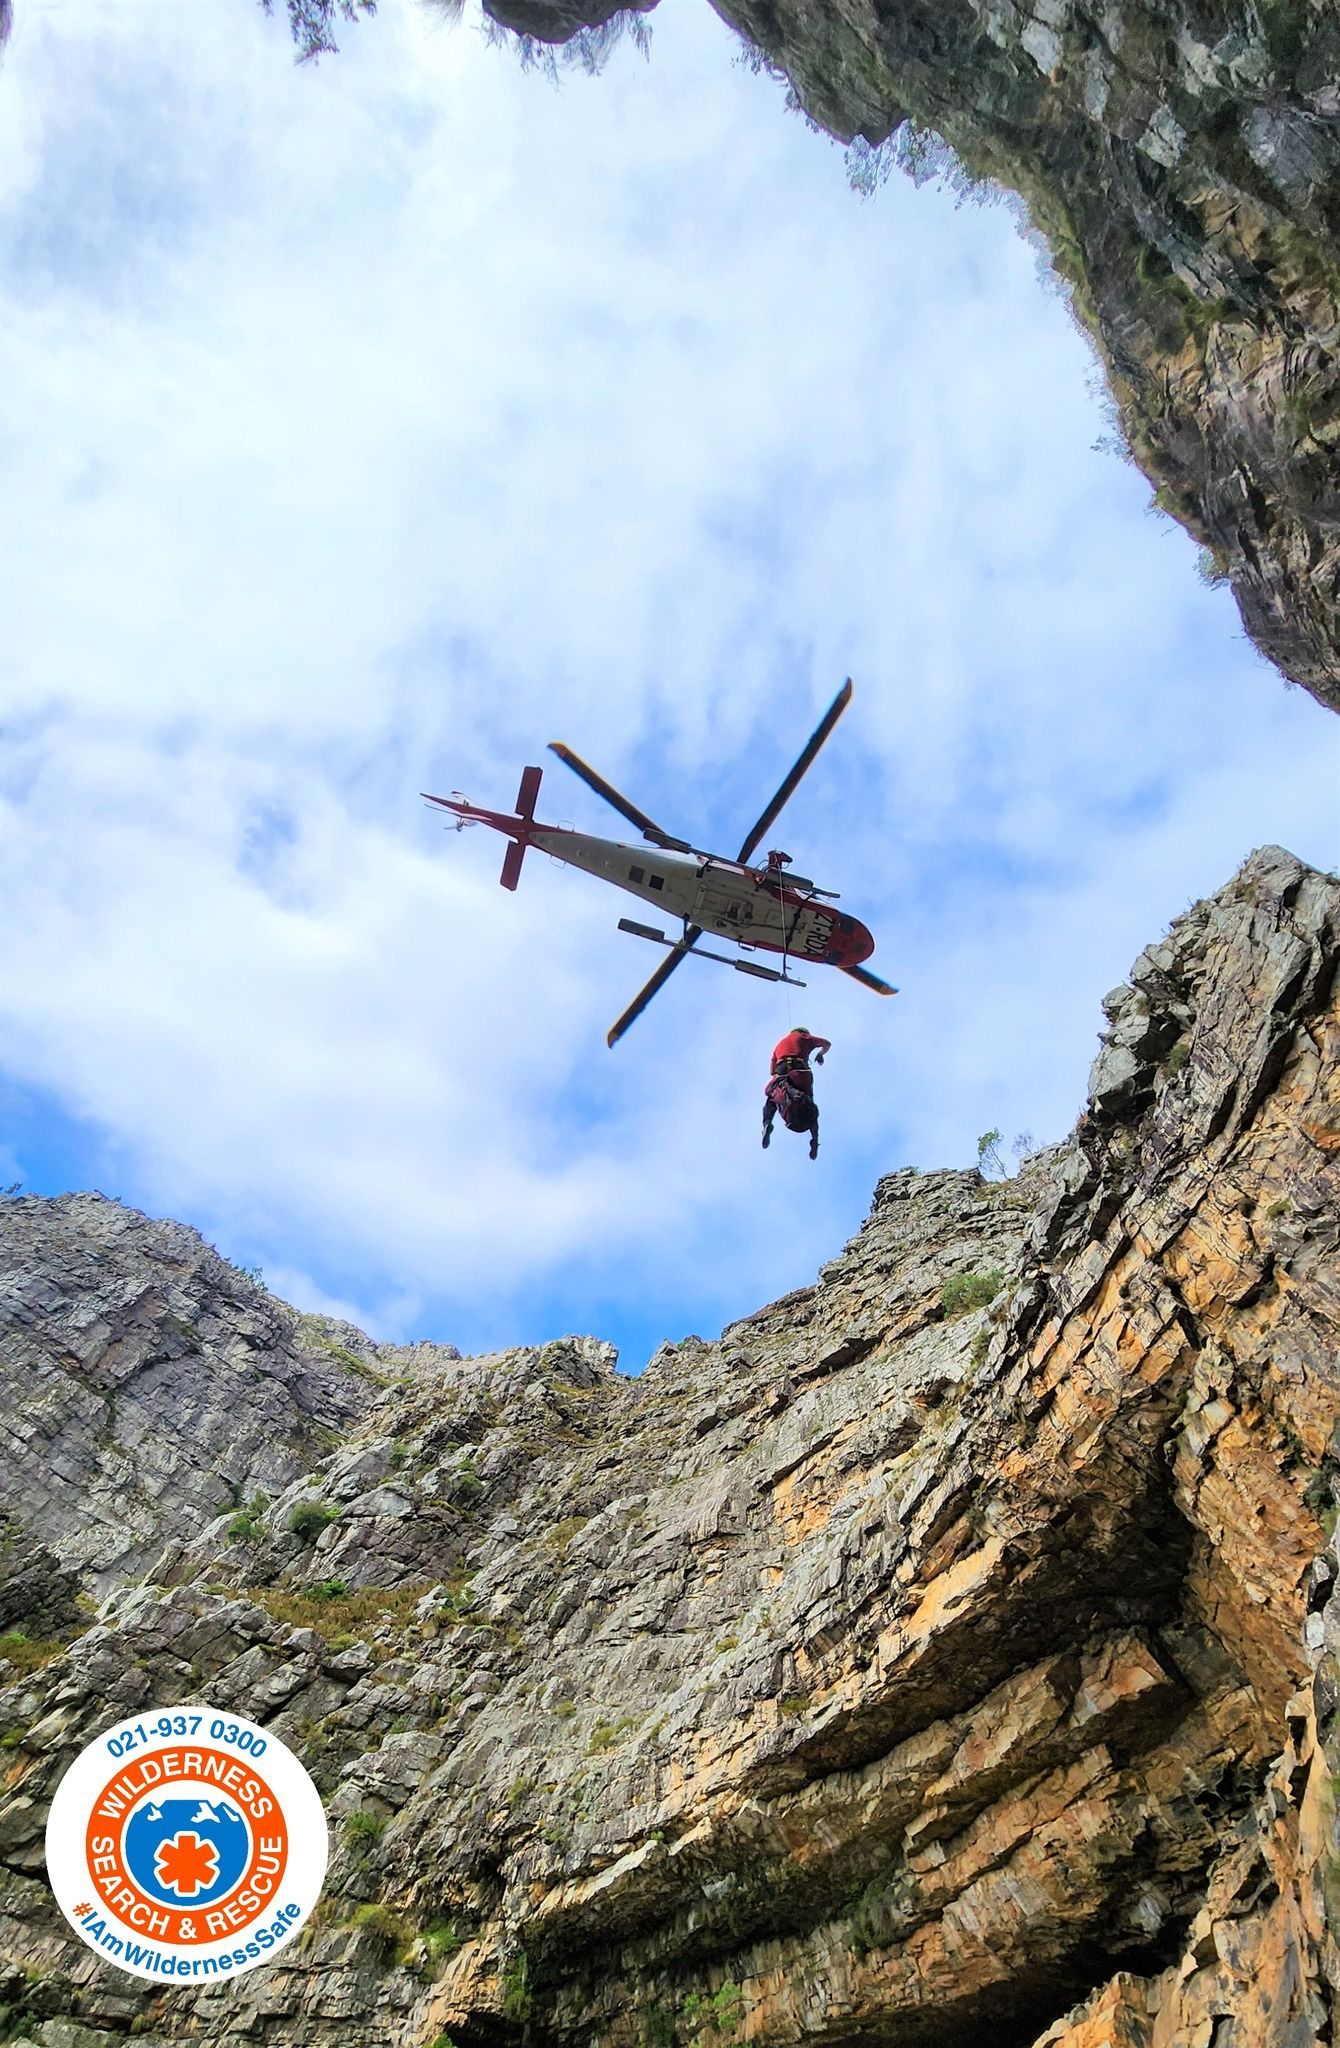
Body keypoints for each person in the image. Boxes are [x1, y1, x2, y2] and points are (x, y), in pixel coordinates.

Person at [762, 1027, 830, 1160]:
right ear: (803, 1032)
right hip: (800, 1071)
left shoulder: (779, 1044)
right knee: (809, 1101)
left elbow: (771, 1071)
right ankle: (814, 1139)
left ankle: (767, 1123)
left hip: (781, 1069)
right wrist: (820, 1054)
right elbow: (827, 1044)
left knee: (773, 1096)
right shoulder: (804, 1037)